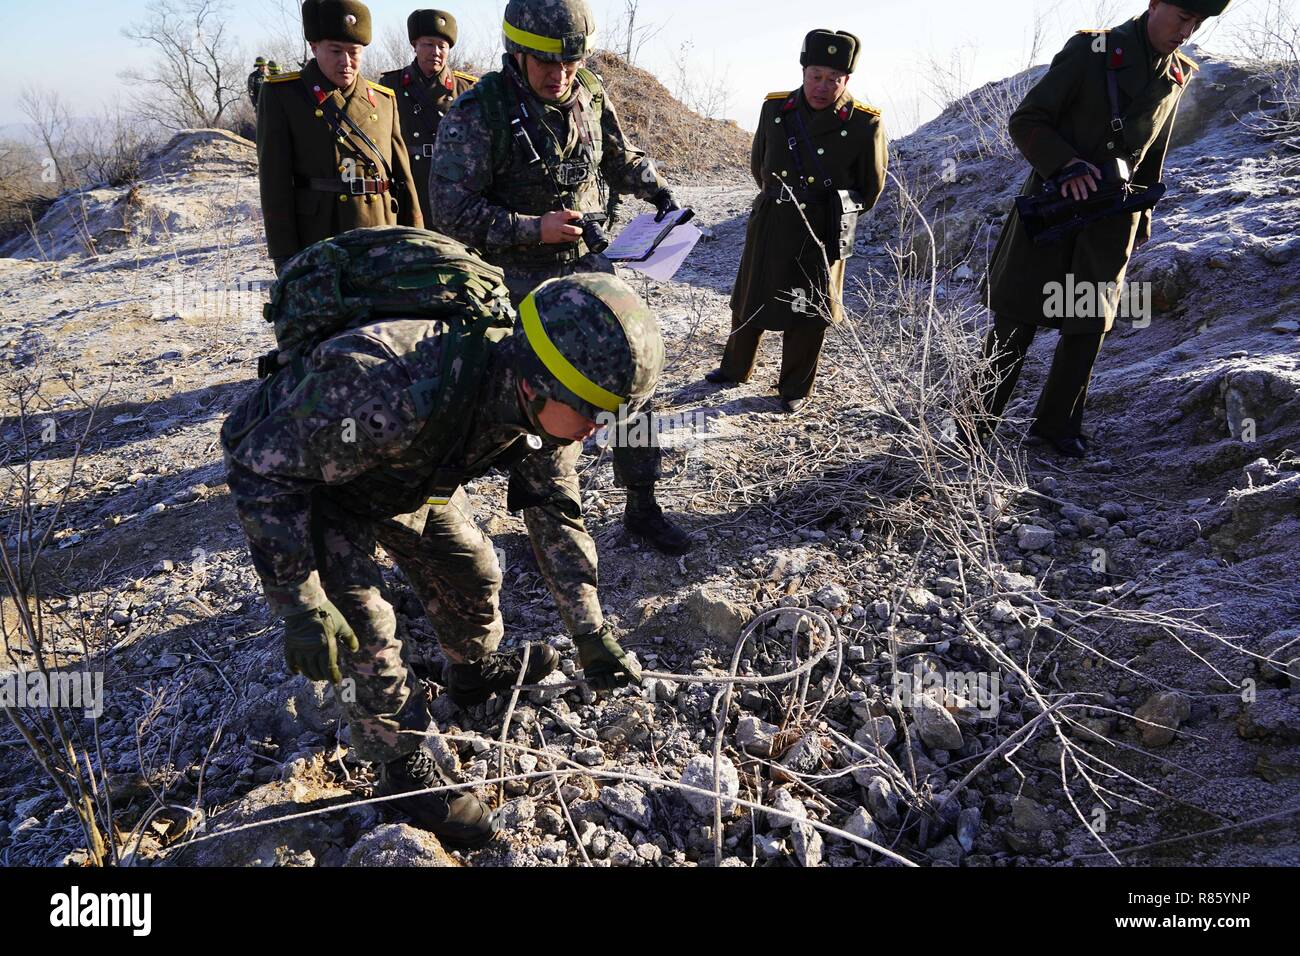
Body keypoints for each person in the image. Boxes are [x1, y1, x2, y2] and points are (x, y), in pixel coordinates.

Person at [222, 241, 663, 846]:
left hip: (408, 477)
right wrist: (297, 600)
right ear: (538, 384)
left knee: (476, 570)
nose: (596, 429)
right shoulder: (388, 383)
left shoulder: (548, 407)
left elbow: (555, 514)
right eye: (593, 412)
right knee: (368, 634)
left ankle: (473, 672)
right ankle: (399, 768)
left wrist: (589, 630)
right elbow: (259, 467)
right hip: (323, 489)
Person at [428, 0, 693, 555]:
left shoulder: (589, 93)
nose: (560, 77)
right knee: (542, 410)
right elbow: (450, 209)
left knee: (635, 384)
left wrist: (656, 189)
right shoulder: (480, 112)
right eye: (548, 65)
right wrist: (532, 228)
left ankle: (642, 505)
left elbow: (619, 158)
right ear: (517, 54)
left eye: (570, 64)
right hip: (513, 285)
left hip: (591, 272)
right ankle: (545, 522)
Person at [977, 0, 1228, 458]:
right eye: (1181, 17)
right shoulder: (1093, 50)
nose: (1187, 31)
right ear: (1154, 5)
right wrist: (1065, 164)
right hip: (1054, 206)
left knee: (1087, 324)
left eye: (1196, 22)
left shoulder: (1176, 74)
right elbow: (1027, 119)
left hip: (1111, 219)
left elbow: (1152, 155)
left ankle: (1056, 428)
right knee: (1016, 320)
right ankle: (975, 425)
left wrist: (1142, 217)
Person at [708, 29, 888, 413]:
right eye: (815, 76)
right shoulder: (776, 109)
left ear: (846, 80)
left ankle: (793, 388)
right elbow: (760, 164)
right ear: (804, 72)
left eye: (832, 79)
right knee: (750, 296)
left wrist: (830, 209)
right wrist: (781, 200)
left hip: (821, 227)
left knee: (809, 311)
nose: (821, 87)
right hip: (773, 217)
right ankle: (735, 368)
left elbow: (870, 188)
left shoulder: (865, 124)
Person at [255, 0, 423, 274]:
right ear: (314, 47)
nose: (346, 62)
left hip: (380, 231)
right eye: (336, 51)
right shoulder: (283, 95)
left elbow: (403, 178)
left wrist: (416, 236)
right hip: (319, 235)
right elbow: (274, 182)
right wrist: (284, 253)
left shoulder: (382, 100)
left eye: (354, 52)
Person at [379, 9, 477, 228]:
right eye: (428, 44)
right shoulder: (390, 86)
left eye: (442, 46)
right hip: (411, 182)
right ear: (414, 45)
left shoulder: (466, 88)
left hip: (454, 181)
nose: (435, 51)